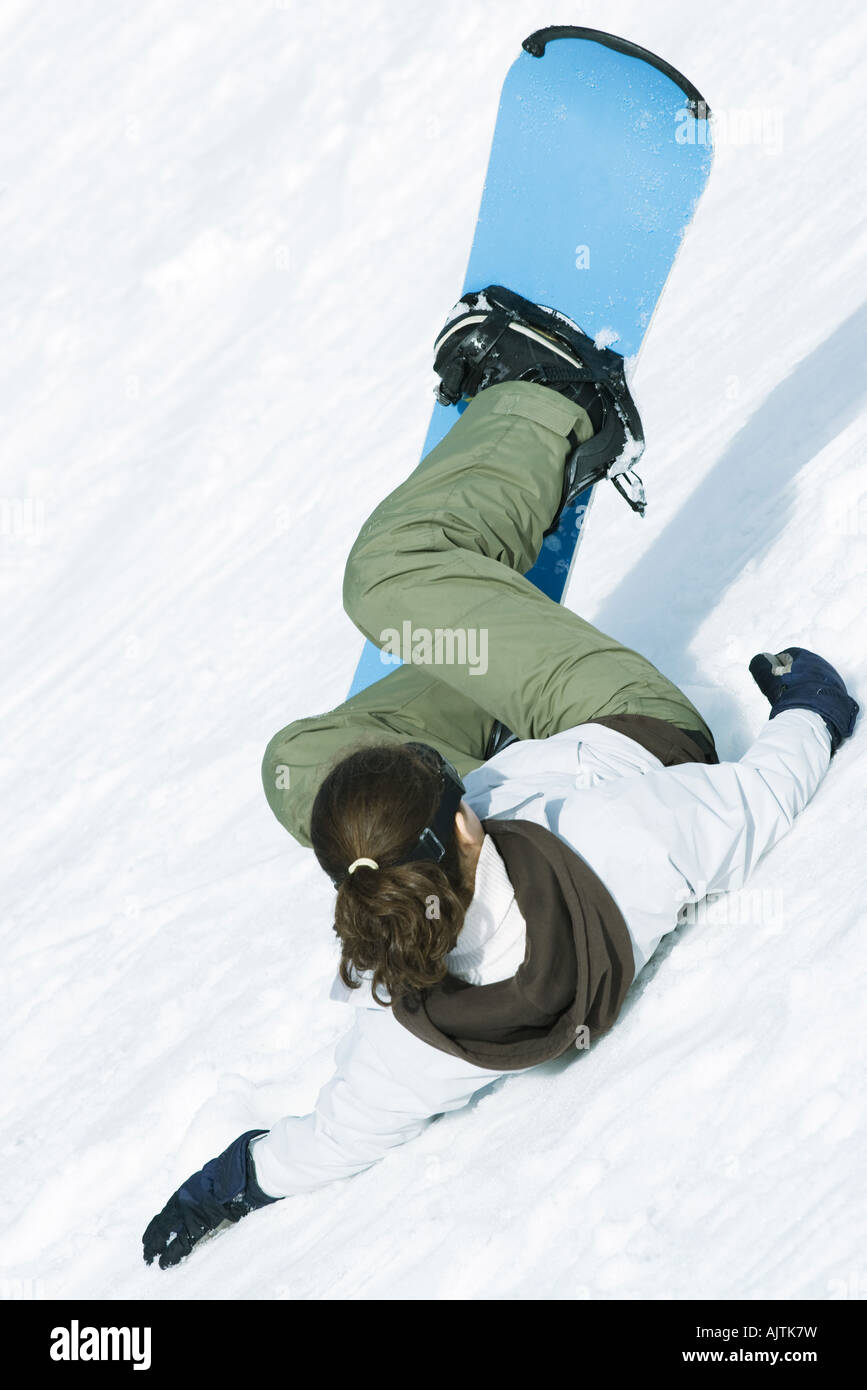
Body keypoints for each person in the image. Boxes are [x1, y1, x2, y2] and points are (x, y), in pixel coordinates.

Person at [142, 285, 858, 1269]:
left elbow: (332, 1140)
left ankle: (476, 613)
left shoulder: (418, 1032)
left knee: (296, 771)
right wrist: (812, 707)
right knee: (386, 576)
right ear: (465, 818)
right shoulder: (624, 846)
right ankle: (554, 399)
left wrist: (232, 1181)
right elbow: (755, 802)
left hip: (521, 768)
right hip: (618, 724)